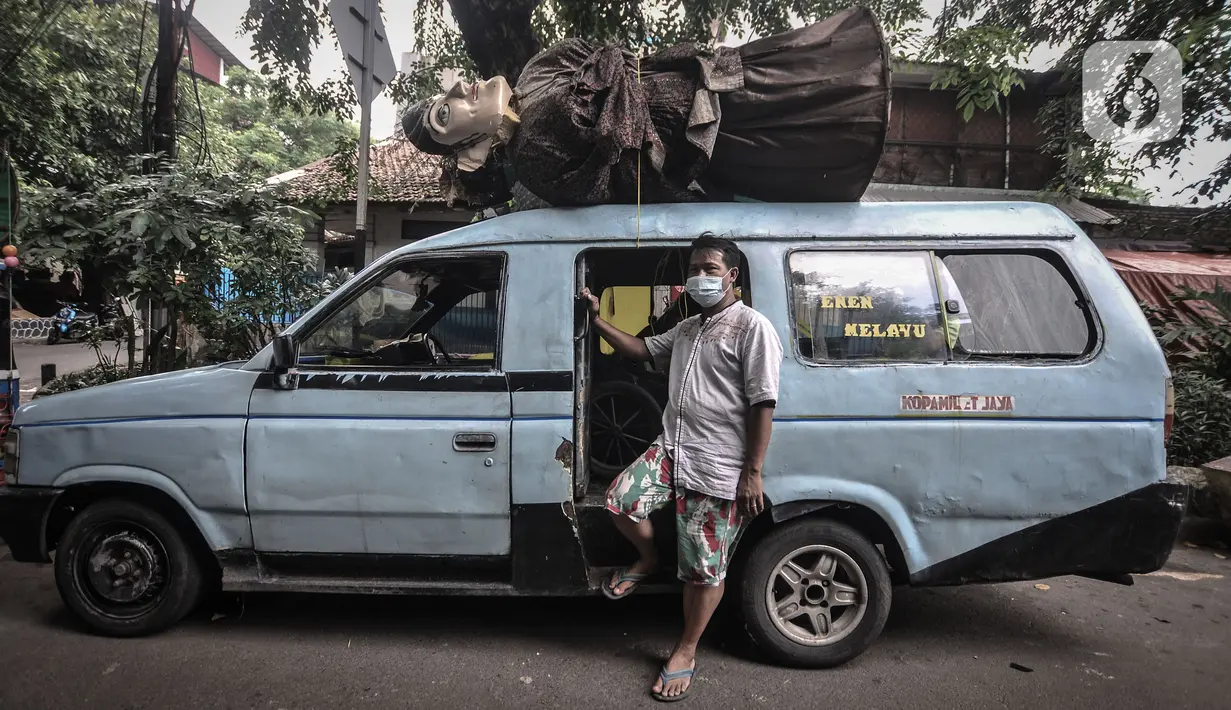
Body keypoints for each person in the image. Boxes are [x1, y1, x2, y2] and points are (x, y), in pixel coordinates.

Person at [578, 234, 783, 702]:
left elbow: (763, 403)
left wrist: (752, 472)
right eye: (694, 269)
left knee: (702, 571)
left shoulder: (752, 328)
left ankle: (686, 651)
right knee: (621, 501)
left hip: (718, 464)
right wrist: (597, 322)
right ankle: (648, 560)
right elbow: (642, 349)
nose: (700, 277)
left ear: (731, 276)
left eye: (711, 269)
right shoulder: (689, 328)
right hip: (671, 448)